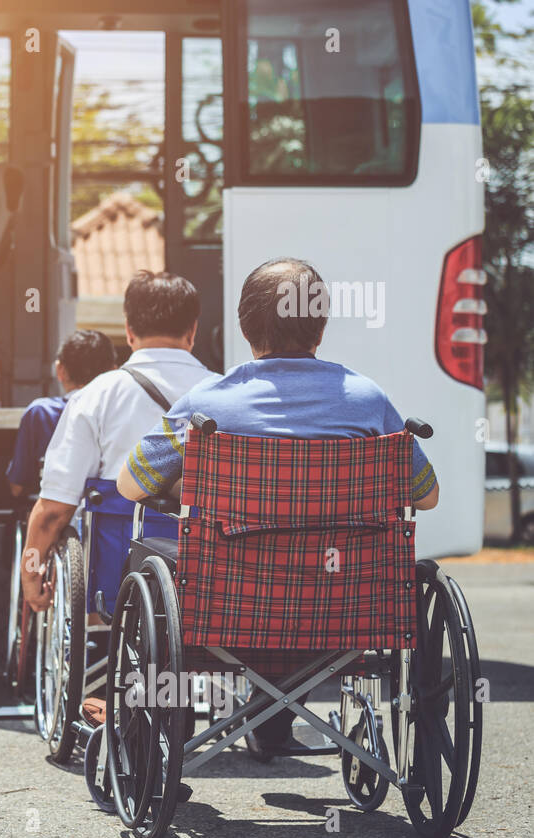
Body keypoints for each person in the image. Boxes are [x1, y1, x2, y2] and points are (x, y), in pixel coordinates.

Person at [117, 257, 439, 751]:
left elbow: (131, 485)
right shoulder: (369, 400)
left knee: (153, 550)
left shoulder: (208, 404)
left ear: (244, 326)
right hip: (346, 604)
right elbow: (427, 495)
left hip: (230, 606)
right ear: (321, 327)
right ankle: (279, 720)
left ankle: (161, 729)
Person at [22, 271, 216, 617]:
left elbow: (54, 510)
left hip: (115, 585)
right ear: (193, 331)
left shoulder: (96, 395)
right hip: (208, 583)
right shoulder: (223, 394)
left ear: (128, 331)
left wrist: (31, 570)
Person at [6, 330, 115, 497]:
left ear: (60, 370)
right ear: (114, 371)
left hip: (53, 515)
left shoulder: (42, 413)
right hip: (108, 512)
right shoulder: (119, 411)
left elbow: (17, 487)